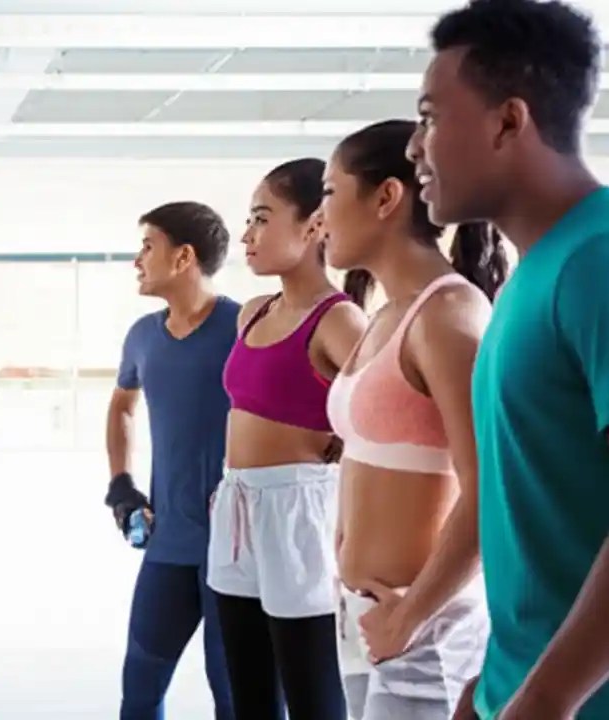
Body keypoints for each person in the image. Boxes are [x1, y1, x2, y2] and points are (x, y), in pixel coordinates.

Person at [409, 1, 609, 717]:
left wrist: (549, 694)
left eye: (431, 117)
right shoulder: (535, 273)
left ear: (508, 121)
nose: (414, 147)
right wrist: (498, 680)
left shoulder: (599, 259)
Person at [320, 118, 507, 720]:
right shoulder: (382, 314)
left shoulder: (448, 316)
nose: (319, 217)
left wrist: (411, 615)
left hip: (424, 627)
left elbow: (490, 491)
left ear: (386, 197)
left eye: (328, 192)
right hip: (364, 617)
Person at [206, 158, 369, 720]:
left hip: (300, 508)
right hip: (237, 504)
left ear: (314, 225)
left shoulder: (340, 321)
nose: (246, 236)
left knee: (310, 692)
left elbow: (380, 422)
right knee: (248, 692)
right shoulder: (252, 313)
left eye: (260, 218)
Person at [104, 201, 238, 720]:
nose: (138, 259)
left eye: (147, 246)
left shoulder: (244, 325)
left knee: (234, 698)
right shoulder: (142, 335)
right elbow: (121, 404)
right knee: (138, 693)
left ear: (183, 257)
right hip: (167, 546)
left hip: (234, 551)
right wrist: (121, 484)